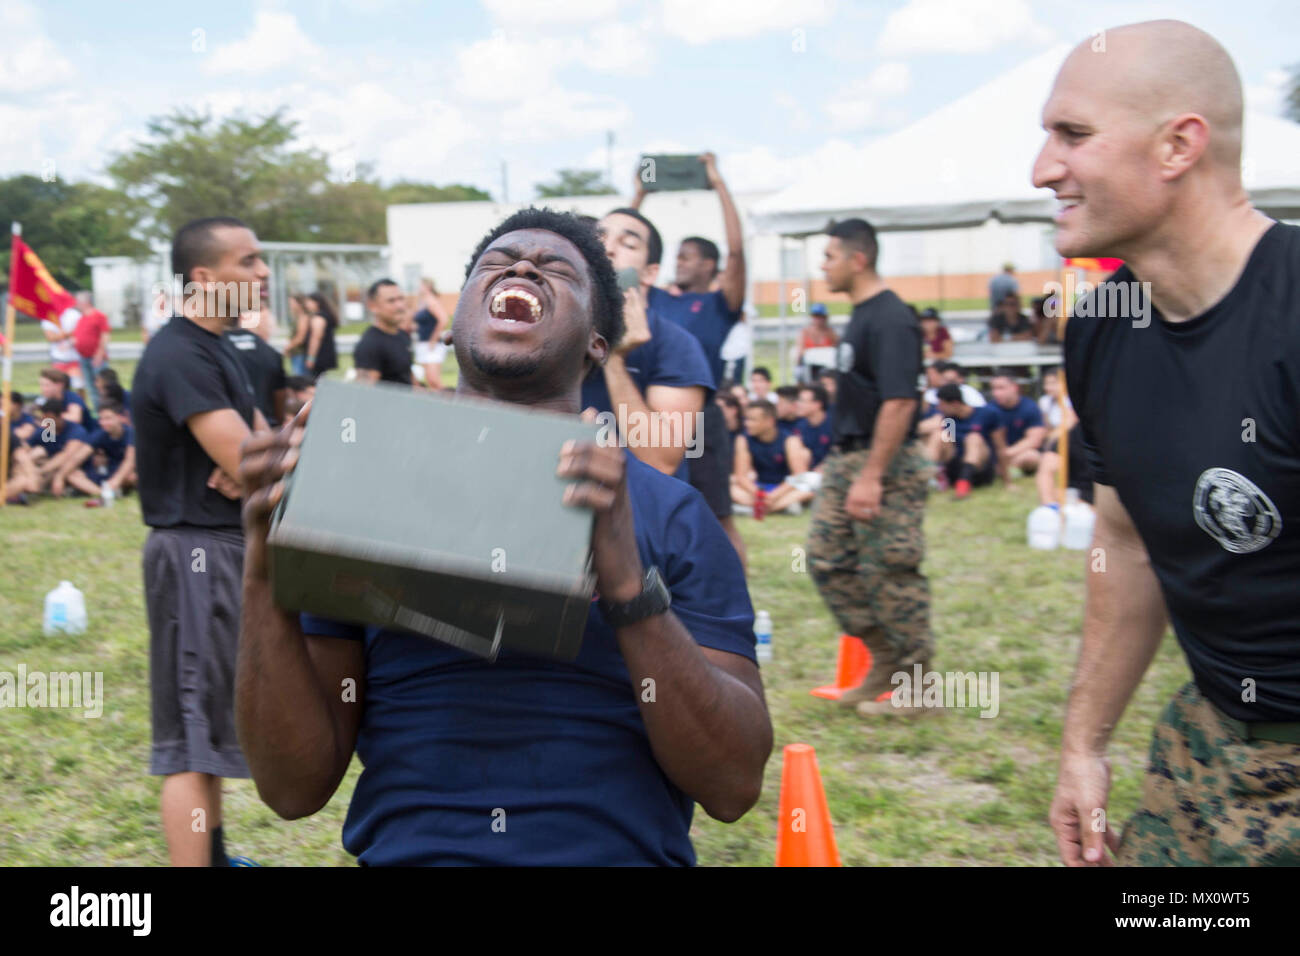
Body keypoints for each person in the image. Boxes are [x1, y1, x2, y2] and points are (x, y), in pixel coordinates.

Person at [235, 207, 772, 866]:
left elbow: (733, 785)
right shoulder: (364, 493)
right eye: (497, 262)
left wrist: (629, 586)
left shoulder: (673, 515)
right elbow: (292, 789)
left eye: (557, 269)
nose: (521, 266)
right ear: (456, 319)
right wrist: (264, 570)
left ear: (598, 342)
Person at [1040, 20, 1300, 868]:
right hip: (1209, 729)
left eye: (1072, 135)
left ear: (1179, 146)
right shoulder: (1104, 330)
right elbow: (1126, 546)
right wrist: (1085, 745)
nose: (1043, 169)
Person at [132, 216, 270, 867]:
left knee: (212, 722)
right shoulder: (180, 353)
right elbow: (255, 463)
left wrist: (256, 462)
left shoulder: (223, 349)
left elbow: (266, 453)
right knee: (191, 736)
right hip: (193, 555)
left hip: (224, 550)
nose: (263, 273)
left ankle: (215, 857)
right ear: (205, 278)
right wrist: (254, 464)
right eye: (249, 262)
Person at [810, 217, 931, 717]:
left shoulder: (891, 317)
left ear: (859, 259)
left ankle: (919, 687)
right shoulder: (859, 315)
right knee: (825, 560)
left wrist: (872, 475)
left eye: (830, 256)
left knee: (891, 572)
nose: (823, 265)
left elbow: (900, 402)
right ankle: (884, 662)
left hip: (884, 462)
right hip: (848, 458)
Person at [631, 152, 748, 566]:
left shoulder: (719, 304)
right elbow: (620, 249)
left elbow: (737, 251)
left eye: (685, 256)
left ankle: (737, 614)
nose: (675, 263)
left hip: (701, 422)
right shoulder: (656, 299)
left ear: (708, 264)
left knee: (718, 518)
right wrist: (640, 193)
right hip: (649, 416)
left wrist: (718, 184)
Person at [588, 209, 714, 477]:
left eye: (628, 244)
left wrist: (613, 360)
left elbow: (660, 461)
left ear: (649, 273)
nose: (607, 249)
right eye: (599, 238)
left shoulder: (677, 346)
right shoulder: (556, 332)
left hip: (641, 513)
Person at [730, 399, 810, 516]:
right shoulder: (743, 440)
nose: (747, 423)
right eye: (746, 419)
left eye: (752, 420)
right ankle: (782, 506)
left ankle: (754, 509)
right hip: (759, 488)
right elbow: (741, 476)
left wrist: (773, 496)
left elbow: (798, 475)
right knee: (729, 488)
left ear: (770, 421)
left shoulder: (790, 440)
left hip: (784, 489)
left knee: (809, 488)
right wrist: (758, 493)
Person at [925, 383, 1005, 498]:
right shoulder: (949, 420)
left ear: (955, 403)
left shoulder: (987, 414)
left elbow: (1000, 447)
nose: (938, 408)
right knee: (939, 435)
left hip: (980, 470)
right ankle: (925, 479)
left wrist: (1008, 481)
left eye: (942, 404)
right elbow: (946, 447)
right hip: (955, 468)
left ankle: (963, 487)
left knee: (974, 438)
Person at [58, 400, 135, 504]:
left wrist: (116, 481)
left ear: (119, 417)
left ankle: (108, 491)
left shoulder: (131, 433)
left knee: (131, 477)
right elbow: (78, 457)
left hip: (124, 474)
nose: (103, 423)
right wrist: (60, 477)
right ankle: (103, 493)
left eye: (108, 418)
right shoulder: (100, 434)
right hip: (108, 473)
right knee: (72, 474)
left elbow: (129, 461)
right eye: (101, 419)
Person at [226, 322, 288, 428]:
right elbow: (280, 394)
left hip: (232, 430)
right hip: (268, 427)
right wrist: (279, 423)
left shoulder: (214, 348)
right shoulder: (268, 350)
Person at [353, 280, 413, 386]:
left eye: (401, 299)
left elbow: (406, 377)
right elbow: (363, 394)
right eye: (391, 301)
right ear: (373, 306)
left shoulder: (402, 335)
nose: (399, 306)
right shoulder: (370, 344)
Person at [988, 370, 1047, 475]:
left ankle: (1007, 469)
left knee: (1032, 457)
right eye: (994, 389)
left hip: (1018, 454)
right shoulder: (989, 409)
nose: (996, 393)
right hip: (996, 456)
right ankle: (1007, 470)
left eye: (1001, 388)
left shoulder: (1030, 407)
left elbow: (1035, 439)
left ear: (1015, 387)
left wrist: (1007, 453)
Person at [72, 292, 111, 412]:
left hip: (96, 358)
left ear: (85, 302)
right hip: (84, 357)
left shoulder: (99, 316)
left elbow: (105, 335)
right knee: (91, 387)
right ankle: (97, 411)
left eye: (78, 301)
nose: (76, 304)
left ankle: (107, 410)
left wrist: (99, 354)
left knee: (102, 386)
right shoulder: (82, 318)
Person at [413, 278, 451, 389]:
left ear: (427, 286)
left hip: (432, 345)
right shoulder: (422, 302)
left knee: (434, 380)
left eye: (420, 285)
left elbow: (443, 319)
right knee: (429, 381)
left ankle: (450, 402)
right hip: (422, 344)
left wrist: (433, 340)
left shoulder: (431, 301)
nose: (418, 288)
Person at [795, 383, 834, 470]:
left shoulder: (834, 426)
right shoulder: (799, 426)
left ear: (817, 404)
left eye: (802, 401)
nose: (798, 404)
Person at [797, 303, 838, 381]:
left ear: (825, 318)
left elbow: (836, 350)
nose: (818, 320)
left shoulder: (830, 333)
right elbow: (800, 352)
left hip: (826, 367)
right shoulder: (805, 332)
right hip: (810, 367)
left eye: (820, 317)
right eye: (815, 316)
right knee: (799, 373)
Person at [303, 292, 339, 381]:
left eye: (309, 302)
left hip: (319, 357)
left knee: (314, 381)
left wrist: (311, 358)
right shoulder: (324, 315)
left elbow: (316, 338)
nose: (306, 305)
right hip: (323, 356)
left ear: (316, 303)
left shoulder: (318, 318)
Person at [921, 361, 987, 408]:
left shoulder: (966, 390)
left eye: (931, 374)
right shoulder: (930, 393)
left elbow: (980, 410)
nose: (928, 378)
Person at [285, 294, 312, 376]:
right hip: (296, 353)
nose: (290, 305)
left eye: (292, 303)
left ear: (299, 303)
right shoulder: (297, 317)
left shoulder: (303, 317)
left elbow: (300, 337)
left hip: (300, 354)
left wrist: (288, 348)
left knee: (300, 379)